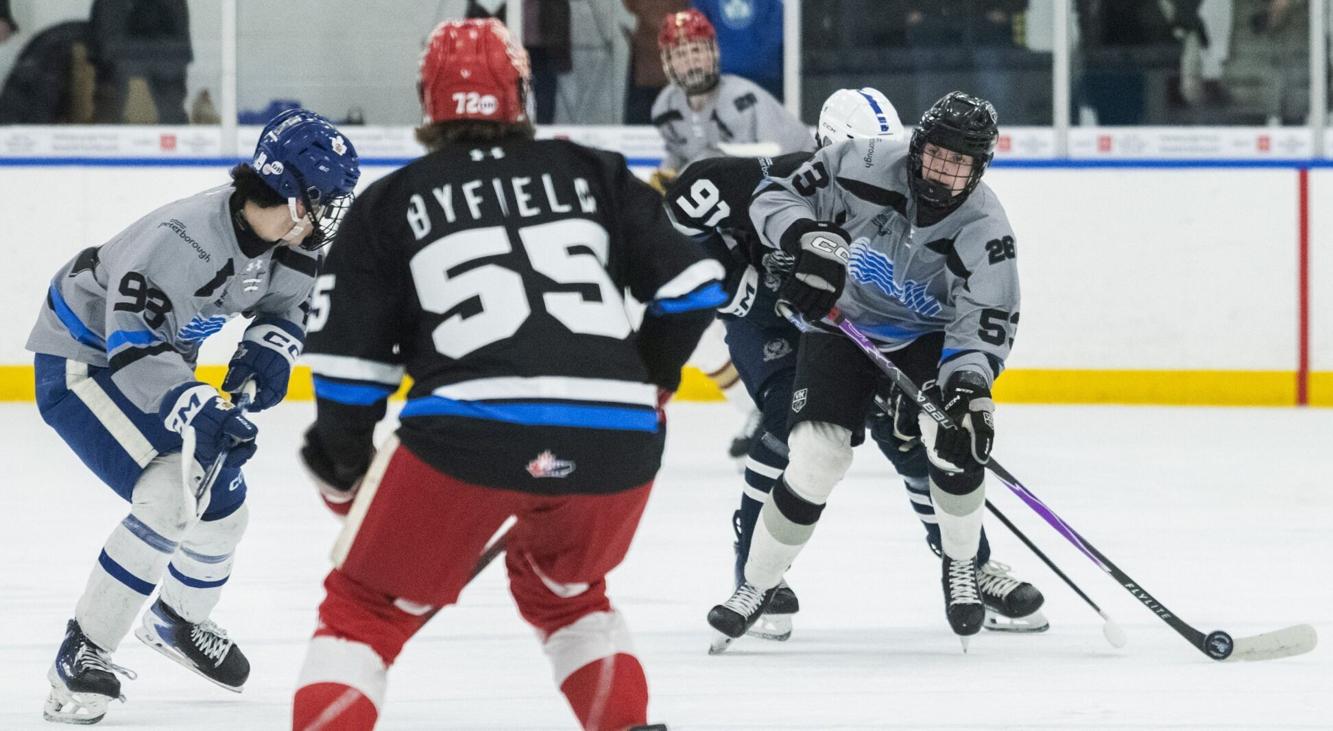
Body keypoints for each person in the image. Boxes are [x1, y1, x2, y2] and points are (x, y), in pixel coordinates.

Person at [290, 19, 723, 731]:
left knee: (363, 610)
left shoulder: (390, 201)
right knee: (573, 596)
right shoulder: (594, 170)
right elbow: (693, 290)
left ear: (428, 102)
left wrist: (350, 487)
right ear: (522, 95)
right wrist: (649, 383)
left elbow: (347, 381)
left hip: (464, 432)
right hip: (617, 433)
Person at [667, 88, 1044, 651]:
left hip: (863, 320)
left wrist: (968, 384)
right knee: (791, 433)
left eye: (957, 161)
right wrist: (747, 281)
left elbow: (984, 312)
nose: (938, 172)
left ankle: (968, 566)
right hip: (774, 316)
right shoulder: (818, 171)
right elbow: (684, 210)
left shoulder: (980, 221)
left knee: (926, 438)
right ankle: (755, 577)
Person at [27, 108, 360, 723]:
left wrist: (268, 351)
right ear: (291, 193)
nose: (329, 214)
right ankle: (81, 654)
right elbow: (132, 346)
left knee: (225, 506)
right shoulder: (183, 240)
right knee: (170, 497)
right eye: (324, 199)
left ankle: (177, 619)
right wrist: (195, 405)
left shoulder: (288, 241)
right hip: (83, 360)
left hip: (153, 360)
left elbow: (288, 306)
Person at [650, 8, 813, 180]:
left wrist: (716, 156)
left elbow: (775, 151)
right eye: (681, 54)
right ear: (668, 62)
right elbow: (680, 153)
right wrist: (665, 175)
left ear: (713, 51)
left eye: (696, 50)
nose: (691, 61)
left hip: (799, 173)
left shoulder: (740, 98)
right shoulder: (666, 105)